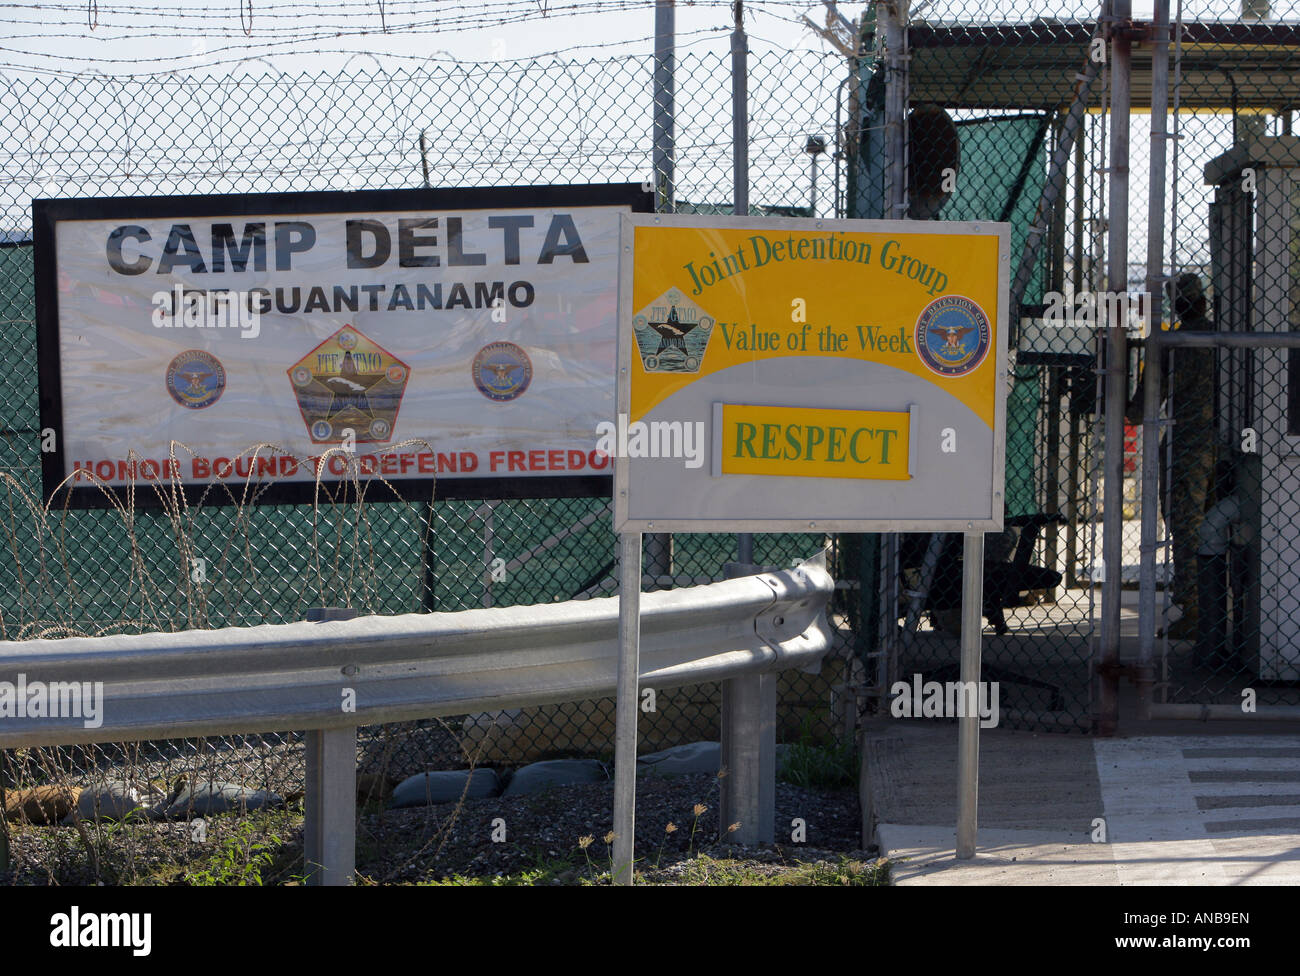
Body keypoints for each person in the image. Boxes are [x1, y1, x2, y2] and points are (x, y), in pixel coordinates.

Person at [1127, 273, 1218, 640]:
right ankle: (1222, 608)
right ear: (1203, 302)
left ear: (1178, 304)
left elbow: (1146, 401)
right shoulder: (1221, 339)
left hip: (1187, 445)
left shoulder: (1173, 343)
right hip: (1227, 443)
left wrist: (1127, 405)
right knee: (1221, 527)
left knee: (1187, 526)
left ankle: (1195, 609)